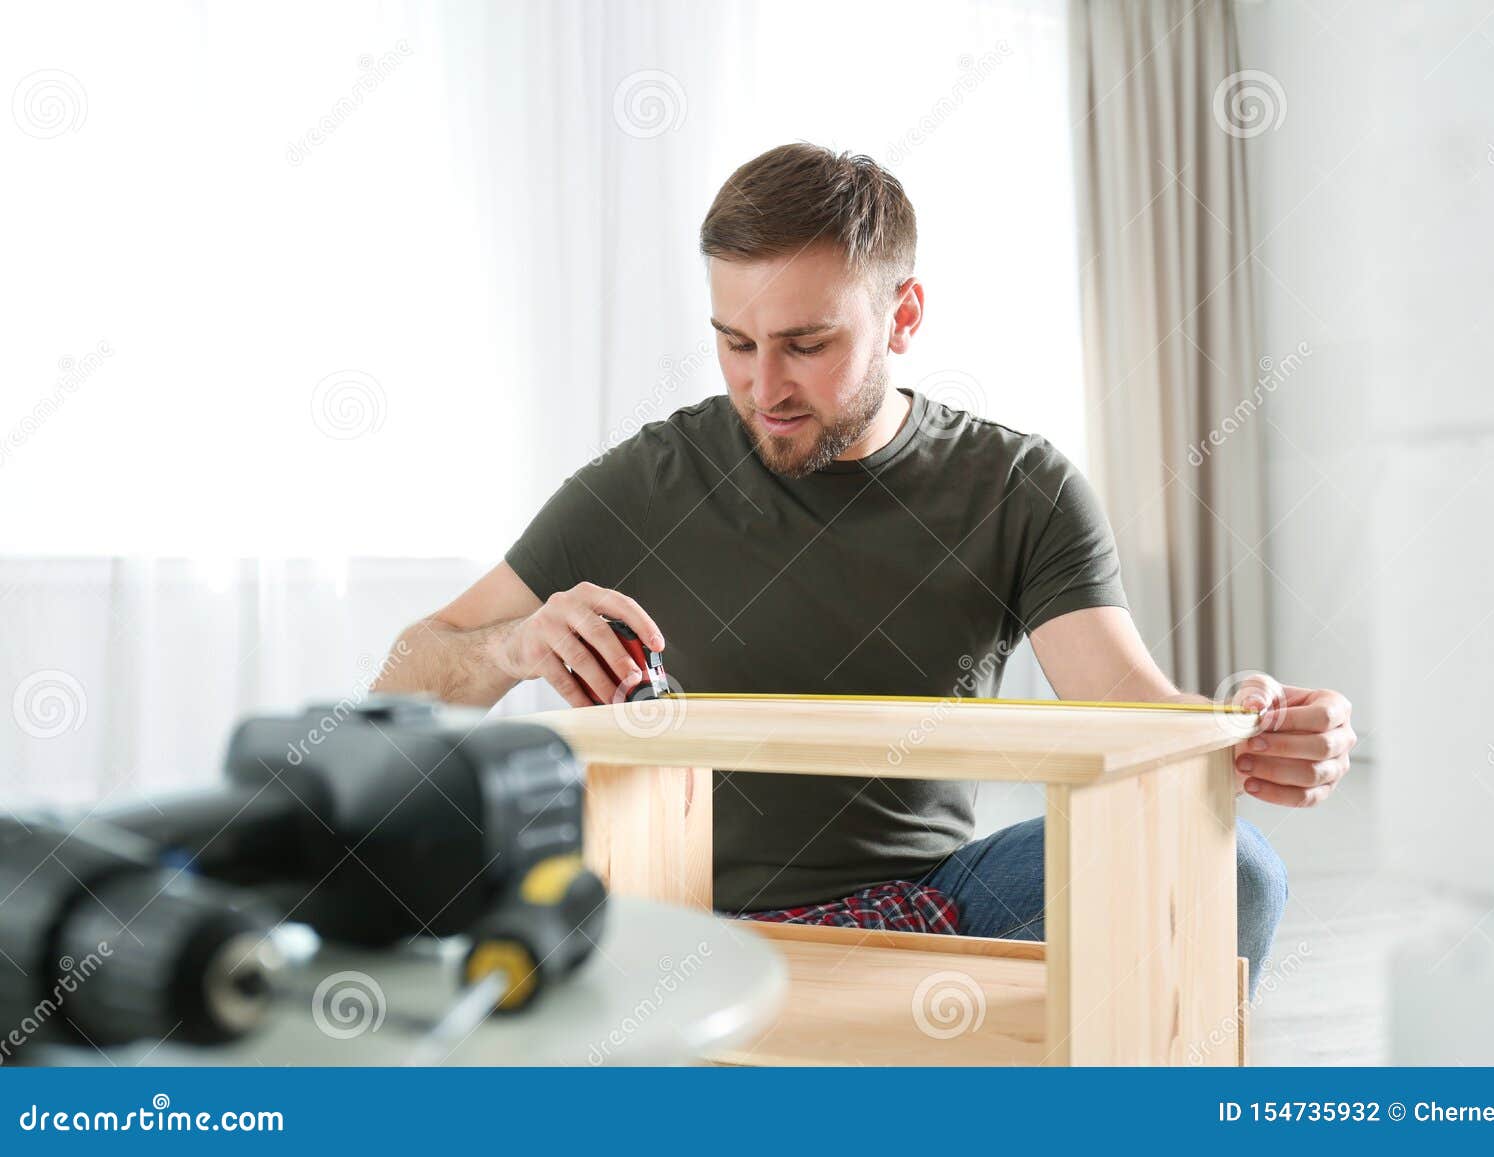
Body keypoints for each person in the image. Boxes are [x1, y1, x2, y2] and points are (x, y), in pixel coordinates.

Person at [374, 143, 1356, 998]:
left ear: (904, 313)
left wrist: (1246, 727)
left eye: (806, 345)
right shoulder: (643, 480)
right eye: (734, 343)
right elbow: (405, 680)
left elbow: (1134, 713)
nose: (764, 388)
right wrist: (513, 641)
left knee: (1233, 870)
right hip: (678, 922)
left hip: (927, 907)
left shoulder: (1018, 486)